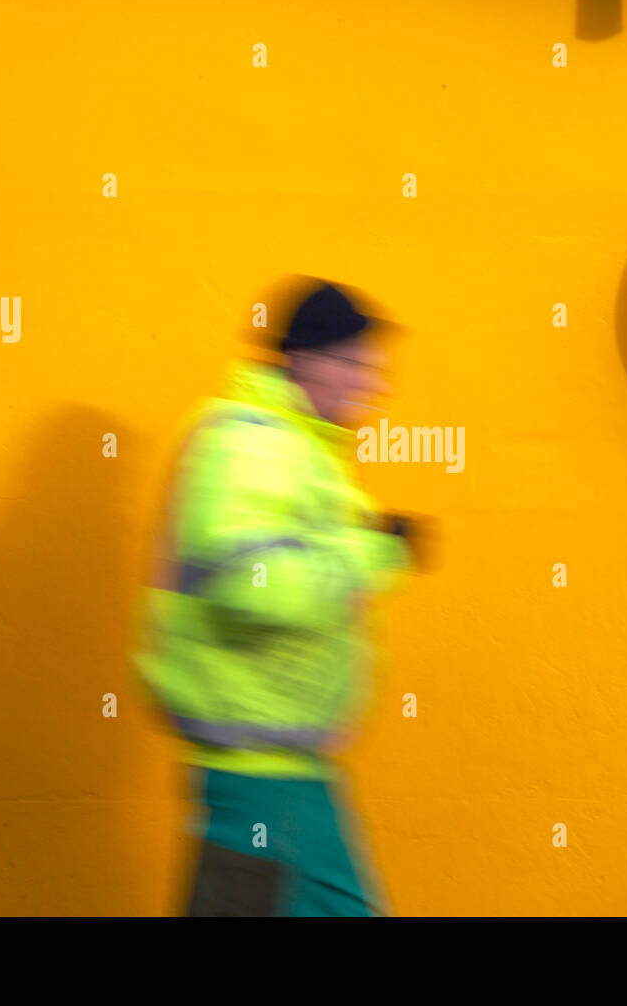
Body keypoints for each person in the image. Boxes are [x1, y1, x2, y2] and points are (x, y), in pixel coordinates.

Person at [132, 278, 421, 916]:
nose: (371, 384)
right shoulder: (251, 442)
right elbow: (250, 583)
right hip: (260, 774)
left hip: (276, 768)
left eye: (375, 368)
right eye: (353, 364)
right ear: (302, 360)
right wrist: (368, 553)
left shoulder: (293, 447)